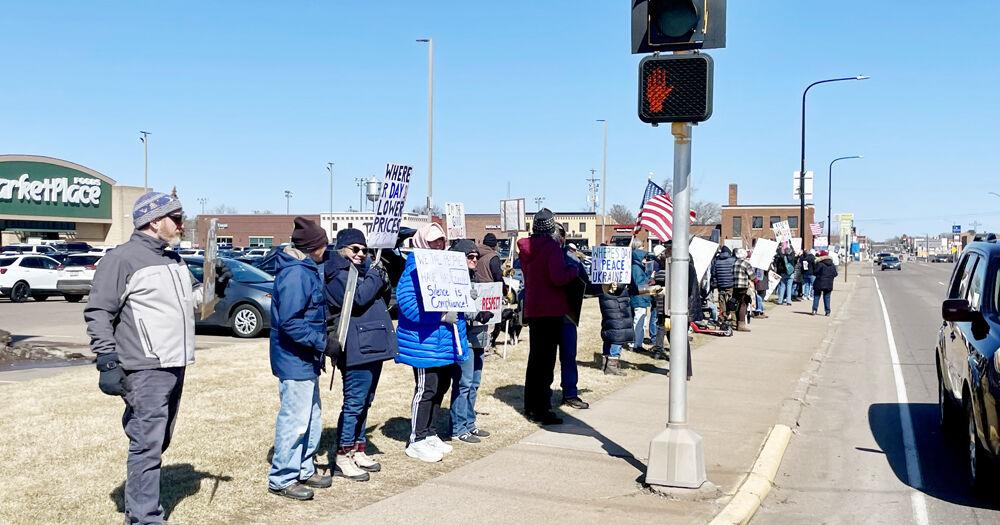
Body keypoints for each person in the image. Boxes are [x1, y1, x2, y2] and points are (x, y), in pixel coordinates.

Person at [85, 191, 232, 523]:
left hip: (174, 364)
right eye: (177, 219)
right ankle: (144, 517)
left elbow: (196, 306)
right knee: (147, 445)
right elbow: (98, 312)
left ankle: (139, 507)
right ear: (154, 221)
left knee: (157, 439)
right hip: (145, 367)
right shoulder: (121, 259)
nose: (182, 225)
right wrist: (107, 360)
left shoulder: (174, 260)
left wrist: (215, 288)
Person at [324, 228, 397, 481]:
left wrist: (382, 277)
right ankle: (343, 454)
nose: (361, 254)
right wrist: (377, 277)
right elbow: (358, 299)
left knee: (366, 400)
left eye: (364, 250)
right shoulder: (336, 274)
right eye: (355, 249)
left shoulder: (365, 272)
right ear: (342, 249)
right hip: (355, 348)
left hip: (372, 344)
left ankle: (358, 447)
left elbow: (385, 298)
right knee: (354, 402)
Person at [267, 217, 332, 501]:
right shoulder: (295, 274)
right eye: (323, 244)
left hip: (306, 359)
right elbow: (291, 323)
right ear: (313, 246)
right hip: (294, 360)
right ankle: (282, 477)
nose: (326, 249)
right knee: (295, 420)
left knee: (312, 417)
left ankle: (304, 467)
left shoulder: (306, 269)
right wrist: (324, 343)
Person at [396, 223, 470, 461]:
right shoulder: (413, 268)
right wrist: (437, 315)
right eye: (433, 241)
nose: (438, 245)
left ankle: (429, 433)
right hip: (423, 342)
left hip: (445, 341)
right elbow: (407, 305)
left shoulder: (447, 267)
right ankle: (416, 438)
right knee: (426, 388)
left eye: (441, 240)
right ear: (421, 243)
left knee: (441, 386)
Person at [517, 208, 580, 425]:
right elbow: (558, 277)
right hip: (551, 310)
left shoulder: (525, 249)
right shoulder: (551, 248)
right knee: (546, 363)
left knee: (535, 360)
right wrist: (573, 271)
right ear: (551, 227)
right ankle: (542, 409)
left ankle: (530, 405)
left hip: (534, 309)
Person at [450, 239, 494, 443]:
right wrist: (476, 314)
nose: (475, 259)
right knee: (464, 383)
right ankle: (458, 428)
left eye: (476, 256)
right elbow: (458, 310)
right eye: (470, 256)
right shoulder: (454, 280)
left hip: (478, 336)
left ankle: (470, 422)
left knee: (474, 383)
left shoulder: (474, 277)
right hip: (463, 338)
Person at [555, 225, 589, 409]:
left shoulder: (572, 258)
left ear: (562, 239)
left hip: (567, 315)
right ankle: (543, 396)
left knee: (568, 356)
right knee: (545, 359)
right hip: (547, 315)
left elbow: (585, 282)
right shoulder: (541, 257)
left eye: (556, 236)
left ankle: (569, 393)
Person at [629, 241, 653, 352]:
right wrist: (649, 281)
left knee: (642, 322)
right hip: (639, 298)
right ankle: (634, 344)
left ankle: (638, 343)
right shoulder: (636, 267)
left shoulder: (637, 266)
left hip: (641, 298)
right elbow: (639, 284)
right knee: (638, 321)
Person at [710, 246, 736, 323]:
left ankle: (723, 317)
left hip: (720, 285)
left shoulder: (716, 261)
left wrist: (716, 283)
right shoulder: (733, 260)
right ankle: (732, 318)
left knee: (722, 301)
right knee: (731, 301)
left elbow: (713, 273)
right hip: (730, 284)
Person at [732, 248, 756, 332]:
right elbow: (752, 276)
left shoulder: (734, 263)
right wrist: (755, 280)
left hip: (735, 286)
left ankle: (736, 322)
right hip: (743, 286)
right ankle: (741, 324)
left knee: (737, 304)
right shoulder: (746, 263)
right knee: (743, 304)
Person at [811, 249, 839, 316]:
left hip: (819, 283)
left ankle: (814, 310)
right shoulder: (832, 265)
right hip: (829, 283)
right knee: (827, 297)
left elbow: (815, 272)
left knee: (816, 296)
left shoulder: (820, 264)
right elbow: (835, 274)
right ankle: (827, 311)